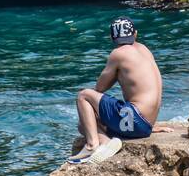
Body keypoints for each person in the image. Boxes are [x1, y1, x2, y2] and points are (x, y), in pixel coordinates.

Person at [68, 17, 163, 165]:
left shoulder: (118, 53)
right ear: (136, 34)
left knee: (83, 95)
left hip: (134, 118)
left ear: (112, 37)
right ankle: (107, 143)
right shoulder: (144, 50)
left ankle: (93, 146)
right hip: (147, 125)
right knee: (85, 125)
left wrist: (116, 73)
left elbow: (99, 88)